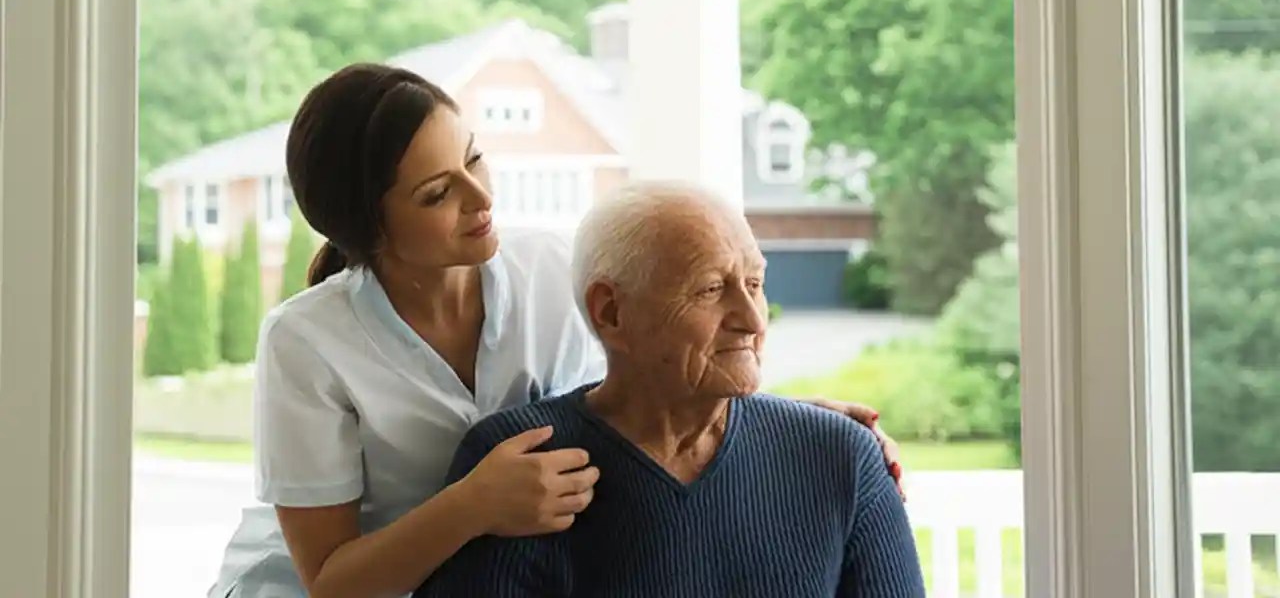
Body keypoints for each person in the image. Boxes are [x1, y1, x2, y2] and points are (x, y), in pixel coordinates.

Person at [207, 64, 903, 598]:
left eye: (473, 160)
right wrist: (473, 505)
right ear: (367, 226)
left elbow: (648, 379)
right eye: (437, 193)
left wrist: (794, 431)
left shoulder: (545, 269)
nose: (481, 199)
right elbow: (330, 581)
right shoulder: (305, 341)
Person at [416, 182, 926, 598]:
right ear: (611, 313)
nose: (751, 320)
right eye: (710, 289)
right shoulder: (515, 465)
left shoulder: (842, 454)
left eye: (754, 284)